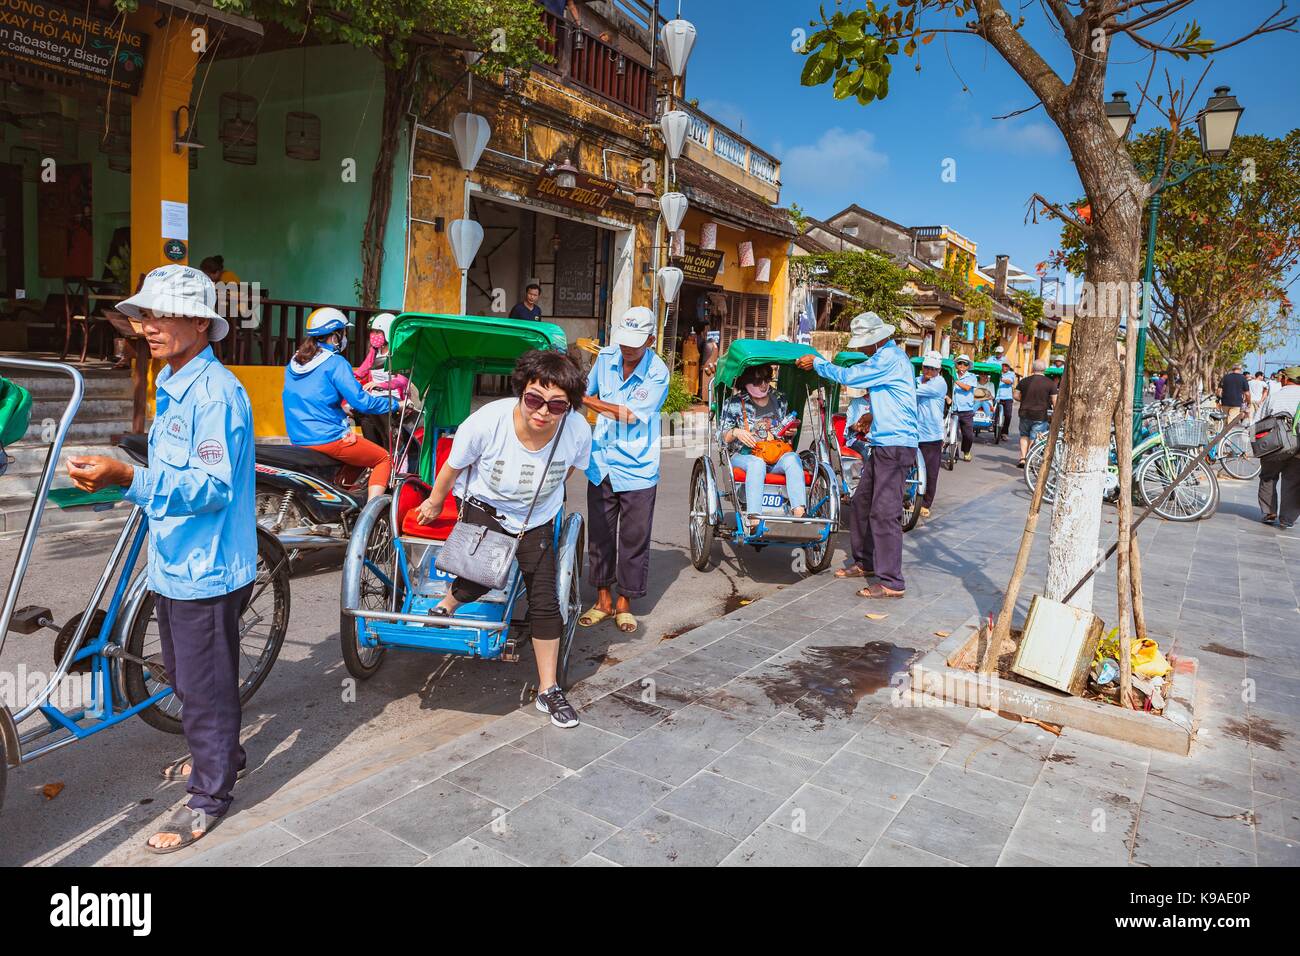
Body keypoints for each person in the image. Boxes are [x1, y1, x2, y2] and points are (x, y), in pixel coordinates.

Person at [65, 265, 256, 852]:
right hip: (173, 560)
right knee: (189, 676)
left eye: (161, 314)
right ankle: (225, 756)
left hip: (207, 566)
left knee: (201, 684)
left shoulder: (217, 392)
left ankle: (209, 797)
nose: (146, 325)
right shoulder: (172, 379)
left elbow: (213, 486)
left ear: (200, 323)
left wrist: (129, 478)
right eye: (145, 315)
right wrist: (129, 472)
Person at [413, 349, 591, 727]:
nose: (542, 412)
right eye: (534, 400)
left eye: (556, 406)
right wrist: (433, 502)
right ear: (521, 391)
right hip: (485, 505)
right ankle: (447, 603)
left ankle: (548, 689)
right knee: (482, 575)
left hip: (537, 517)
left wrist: (540, 502)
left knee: (544, 601)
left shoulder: (577, 430)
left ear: (569, 407)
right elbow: (453, 466)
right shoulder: (488, 421)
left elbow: (570, 470)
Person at [797, 312, 918, 599]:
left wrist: (819, 364)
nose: (861, 349)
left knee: (885, 512)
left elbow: (850, 376)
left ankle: (891, 581)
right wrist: (870, 417)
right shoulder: (888, 358)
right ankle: (865, 561)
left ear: (876, 340)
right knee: (862, 501)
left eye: (864, 344)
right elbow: (895, 399)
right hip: (883, 443)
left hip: (895, 446)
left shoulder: (888, 358)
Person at [580, 307, 670, 634]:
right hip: (602, 460)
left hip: (638, 466)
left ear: (650, 339)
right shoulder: (605, 357)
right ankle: (603, 600)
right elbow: (584, 390)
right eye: (623, 341)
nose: (627, 348)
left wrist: (587, 402)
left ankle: (624, 603)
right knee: (601, 534)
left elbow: (629, 415)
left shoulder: (658, 373)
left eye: (635, 342)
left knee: (633, 538)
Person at [282, 307, 398, 500]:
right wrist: (395, 405)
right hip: (328, 439)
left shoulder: (295, 363)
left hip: (298, 437)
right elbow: (362, 402)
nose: (345, 337)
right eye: (344, 332)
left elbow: (310, 398)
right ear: (335, 336)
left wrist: (342, 409)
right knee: (383, 458)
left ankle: (341, 501)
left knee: (358, 458)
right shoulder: (336, 363)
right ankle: (370, 516)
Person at [721, 362, 806, 533]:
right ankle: (754, 519)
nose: (764, 385)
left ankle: (800, 514)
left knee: (793, 458)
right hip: (744, 456)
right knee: (756, 464)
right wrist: (736, 432)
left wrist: (790, 431)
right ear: (747, 380)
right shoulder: (735, 403)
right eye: (759, 381)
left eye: (767, 380)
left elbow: (783, 429)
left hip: (773, 453)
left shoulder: (780, 399)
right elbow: (721, 436)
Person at [353, 312, 410, 450]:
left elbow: (402, 381)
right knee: (363, 417)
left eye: (378, 332)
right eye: (372, 332)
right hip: (374, 396)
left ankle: (390, 453)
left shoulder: (397, 353)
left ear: (387, 331)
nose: (373, 335)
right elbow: (362, 371)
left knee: (386, 430)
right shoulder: (374, 351)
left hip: (392, 397)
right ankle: (374, 455)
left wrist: (380, 385)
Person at [1256, 366, 1300, 529]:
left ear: (1285, 379)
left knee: (1268, 476)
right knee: (1293, 481)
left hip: (1273, 445)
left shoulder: (1274, 397)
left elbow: (1257, 420)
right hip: (1298, 447)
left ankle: (1269, 512)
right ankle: (1287, 518)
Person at [915, 350, 947, 518]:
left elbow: (911, 389)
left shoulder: (939, 383)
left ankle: (926, 502)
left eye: (932, 369)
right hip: (914, 432)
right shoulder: (917, 380)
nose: (928, 371)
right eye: (926, 367)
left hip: (931, 435)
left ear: (938, 370)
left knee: (930, 470)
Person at [1014, 359, 1058, 467]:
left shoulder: (1024, 381)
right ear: (1045, 369)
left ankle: (1023, 458)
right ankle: (1030, 458)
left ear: (1033, 368)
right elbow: (1055, 401)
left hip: (1024, 412)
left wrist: (1023, 400)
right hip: (1040, 414)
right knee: (1035, 437)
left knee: (1024, 435)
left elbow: (1015, 395)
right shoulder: (1050, 383)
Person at [951, 353, 977, 461]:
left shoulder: (972, 376)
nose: (962, 365)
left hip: (966, 410)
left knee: (968, 435)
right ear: (956, 364)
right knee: (953, 434)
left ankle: (966, 451)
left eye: (965, 364)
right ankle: (954, 454)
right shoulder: (951, 374)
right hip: (953, 408)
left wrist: (956, 381)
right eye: (959, 363)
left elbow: (967, 388)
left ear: (968, 366)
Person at [996, 361, 1017, 442]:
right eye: (1004, 366)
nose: (1005, 367)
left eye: (1007, 366)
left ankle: (1004, 433)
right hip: (998, 397)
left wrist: (1001, 379)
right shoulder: (997, 373)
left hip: (1008, 398)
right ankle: (994, 426)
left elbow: (1010, 382)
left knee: (1008, 416)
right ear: (1002, 366)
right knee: (995, 414)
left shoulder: (1011, 374)